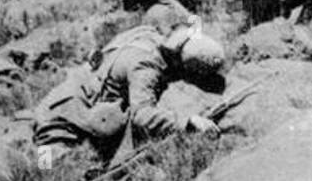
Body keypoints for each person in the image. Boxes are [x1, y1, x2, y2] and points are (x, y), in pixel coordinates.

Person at [32, 23, 227, 162]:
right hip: (62, 112)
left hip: (75, 91)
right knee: (48, 168)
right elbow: (142, 115)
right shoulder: (146, 68)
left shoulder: (148, 35)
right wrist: (187, 122)